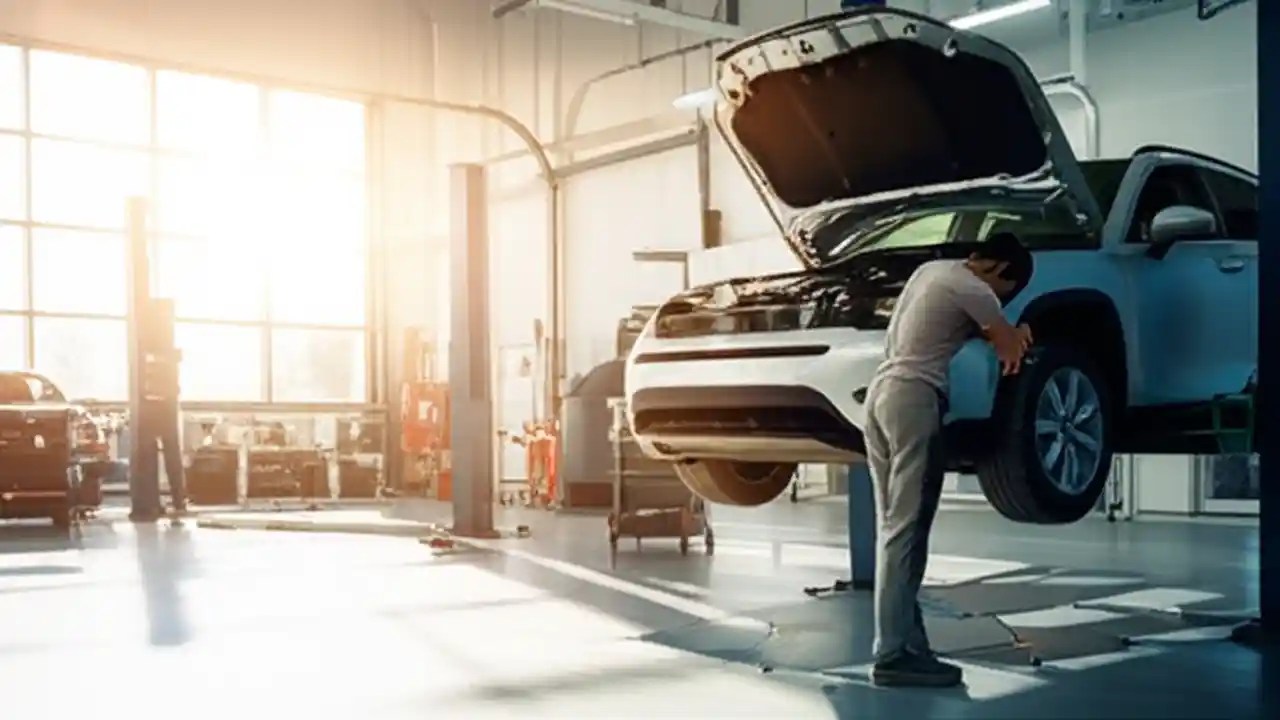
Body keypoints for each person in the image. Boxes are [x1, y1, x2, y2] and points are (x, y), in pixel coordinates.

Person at [864, 231, 1035, 688]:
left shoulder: (930, 273)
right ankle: (894, 654)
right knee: (908, 533)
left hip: (879, 398)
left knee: (893, 532)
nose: (1003, 299)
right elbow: (1008, 351)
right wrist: (1017, 334)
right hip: (914, 401)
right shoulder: (975, 288)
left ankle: (909, 644)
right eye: (1009, 291)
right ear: (1001, 271)